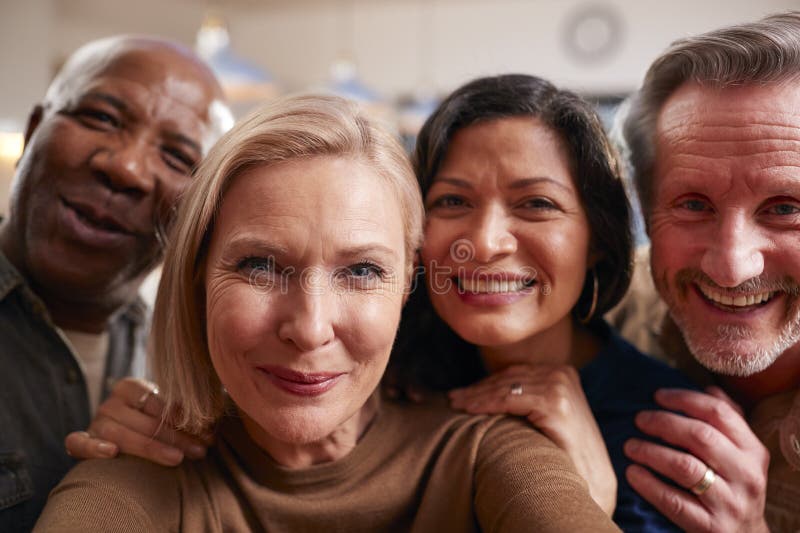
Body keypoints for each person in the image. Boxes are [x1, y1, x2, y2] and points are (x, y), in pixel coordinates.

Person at [34, 94, 618, 532]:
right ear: (197, 277)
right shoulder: (138, 472)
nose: (310, 328)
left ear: (408, 287)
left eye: (361, 271)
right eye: (261, 266)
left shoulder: (483, 454)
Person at [386, 74, 698, 531]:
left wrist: (586, 507)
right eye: (453, 200)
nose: (486, 242)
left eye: (535, 203)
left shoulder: (671, 432)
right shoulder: (390, 380)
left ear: (598, 241)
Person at [0, 35, 231, 531]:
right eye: (101, 118)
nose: (126, 168)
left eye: (176, 157)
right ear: (34, 131)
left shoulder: (188, 369)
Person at [606, 11, 800, 532]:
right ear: (646, 216)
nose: (733, 267)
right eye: (693, 205)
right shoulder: (602, 305)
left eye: (785, 208)